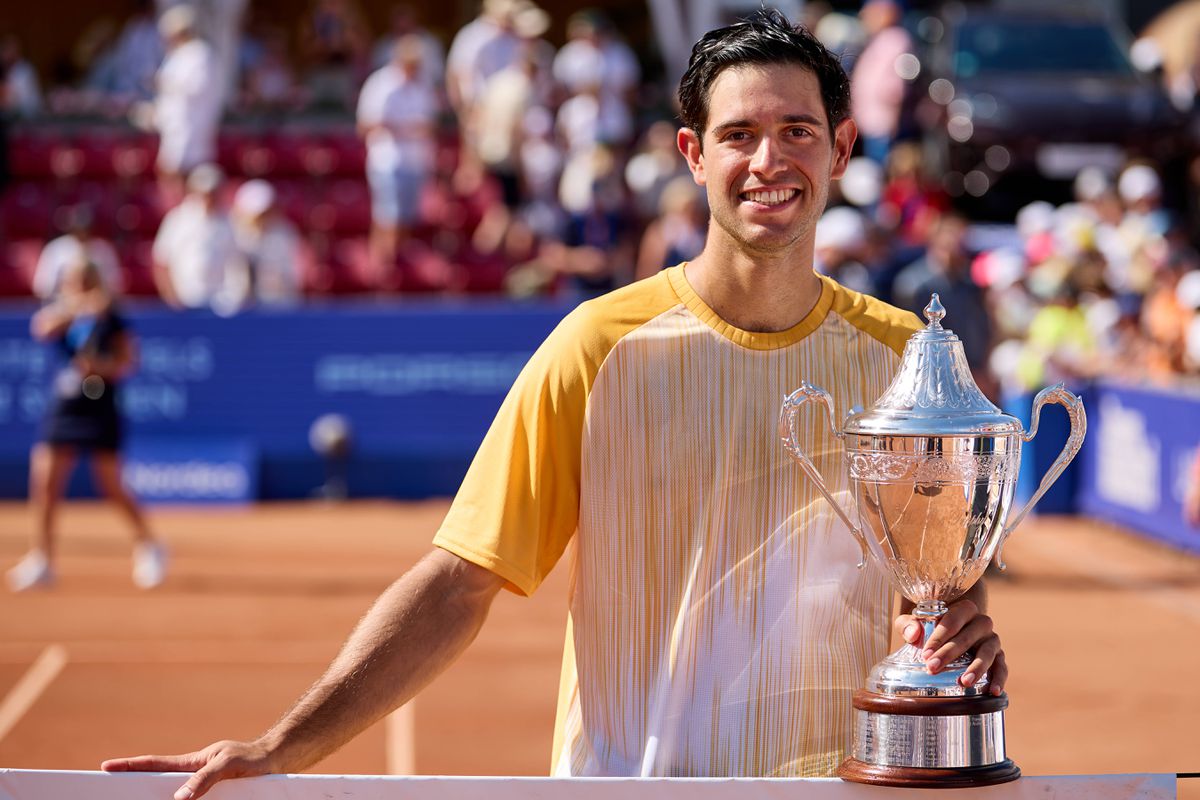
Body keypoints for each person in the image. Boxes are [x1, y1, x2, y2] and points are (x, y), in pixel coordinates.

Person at [103, 11, 1006, 793]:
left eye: (797, 131)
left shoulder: (912, 360)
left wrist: (954, 629)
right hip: (626, 793)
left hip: (838, 789)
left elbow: (935, 583)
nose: (768, 160)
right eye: (738, 134)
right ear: (693, 155)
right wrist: (281, 746)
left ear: (841, 148)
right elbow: (459, 583)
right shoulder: (599, 345)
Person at [6, 259, 166, 592]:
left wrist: (99, 367)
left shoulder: (112, 318)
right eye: (73, 281)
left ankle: (149, 545)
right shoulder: (64, 314)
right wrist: (80, 308)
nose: (79, 286)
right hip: (64, 406)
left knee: (110, 484)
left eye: (85, 281)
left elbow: (128, 362)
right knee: (45, 482)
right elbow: (41, 328)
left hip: (99, 403)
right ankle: (43, 559)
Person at [356, 35, 439, 284]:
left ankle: (399, 269)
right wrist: (404, 129)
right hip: (387, 162)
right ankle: (382, 269)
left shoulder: (423, 85)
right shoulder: (380, 84)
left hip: (416, 161)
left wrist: (402, 128)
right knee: (387, 216)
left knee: (407, 218)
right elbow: (366, 125)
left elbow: (429, 125)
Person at [151, 164, 244, 311]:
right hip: (184, 303)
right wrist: (172, 297)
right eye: (204, 192)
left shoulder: (230, 221)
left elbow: (237, 261)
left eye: (213, 192)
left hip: (221, 303)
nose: (208, 198)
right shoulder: (177, 219)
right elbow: (161, 262)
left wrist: (235, 296)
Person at [153, 6, 223, 195]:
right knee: (168, 169)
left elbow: (197, 87)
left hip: (192, 122)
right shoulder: (175, 55)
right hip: (173, 124)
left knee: (192, 172)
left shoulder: (201, 53)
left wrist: (168, 84)